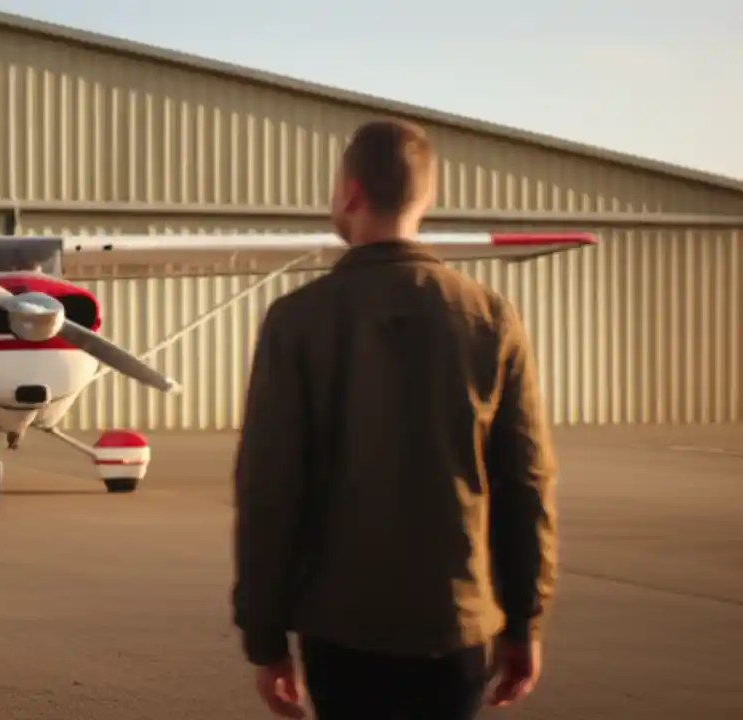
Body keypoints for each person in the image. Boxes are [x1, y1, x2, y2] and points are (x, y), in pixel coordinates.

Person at [231, 118, 558, 719]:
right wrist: (524, 622)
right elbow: (527, 483)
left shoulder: (295, 320)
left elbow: (269, 489)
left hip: (340, 631)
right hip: (458, 627)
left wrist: (266, 638)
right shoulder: (492, 317)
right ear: (425, 199)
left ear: (350, 193)